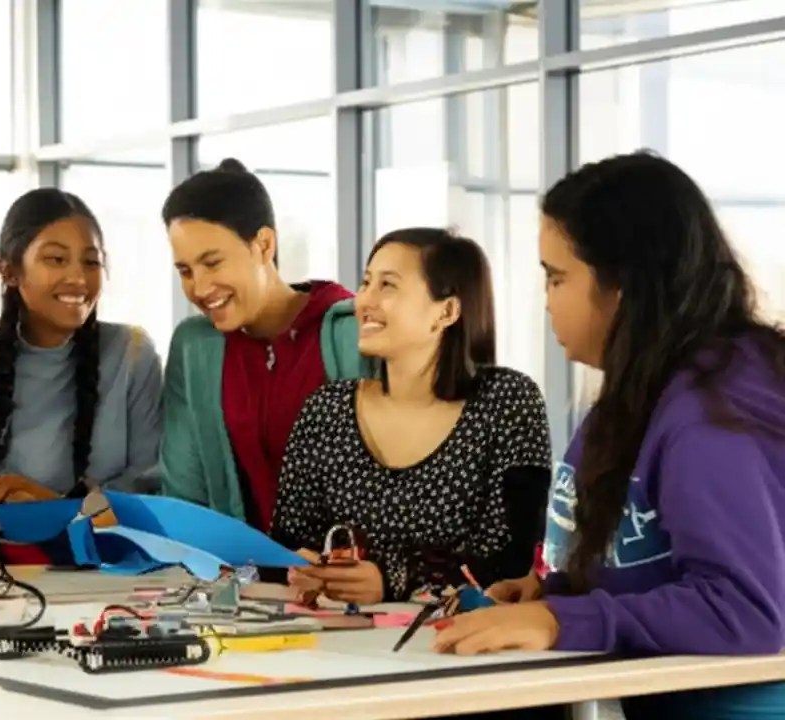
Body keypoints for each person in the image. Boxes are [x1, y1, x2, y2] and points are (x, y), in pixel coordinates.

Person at [433, 151, 785, 719]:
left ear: (622, 286)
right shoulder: (642, 387)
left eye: (556, 277)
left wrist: (562, 621)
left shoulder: (712, 414)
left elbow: (744, 611)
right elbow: (650, 554)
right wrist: (556, 592)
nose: (546, 300)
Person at [275, 228, 551, 604]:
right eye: (366, 282)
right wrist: (304, 568)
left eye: (387, 285)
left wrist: (392, 578)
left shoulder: (508, 401)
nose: (363, 301)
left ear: (447, 311)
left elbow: (512, 556)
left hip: (458, 641)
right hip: (335, 640)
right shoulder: (326, 409)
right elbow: (288, 540)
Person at [0, 188, 163, 562]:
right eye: (55, 259)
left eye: (91, 262)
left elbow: (152, 500)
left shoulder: (132, 355)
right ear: (9, 270)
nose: (77, 278)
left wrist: (53, 509)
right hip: (0, 583)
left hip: (116, 574)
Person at [159, 158, 371, 534]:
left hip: (353, 578)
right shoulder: (194, 348)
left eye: (213, 263)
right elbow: (183, 499)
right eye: (185, 271)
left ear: (264, 244)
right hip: (247, 584)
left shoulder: (354, 331)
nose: (200, 288)